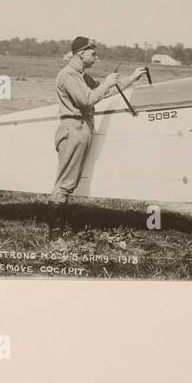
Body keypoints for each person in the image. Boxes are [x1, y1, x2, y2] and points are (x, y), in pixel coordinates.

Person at [47, 37, 146, 239]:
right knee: (65, 183)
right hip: (73, 129)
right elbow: (87, 100)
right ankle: (55, 237)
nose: (96, 57)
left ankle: (58, 233)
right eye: (94, 53)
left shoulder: (81, 76)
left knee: (69, 183)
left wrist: (131, 79)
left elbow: (106, 92)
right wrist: (108, 81)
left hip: (81, 129)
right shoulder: (68, 75)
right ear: (81, 53)